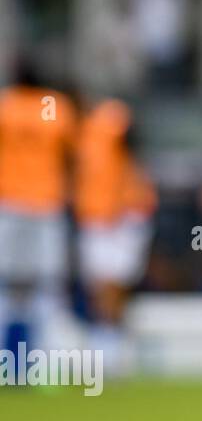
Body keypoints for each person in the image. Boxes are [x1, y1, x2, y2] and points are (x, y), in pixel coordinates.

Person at [74, 94, 157, 375]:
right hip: (96, 214)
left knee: (115, 281)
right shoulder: (79, 135)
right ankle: (106, 344)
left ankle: (112, 345)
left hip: (122, 212)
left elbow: (131, 139)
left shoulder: (107, 118)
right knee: (100, 283)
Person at [0, 57, 77, 355]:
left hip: (10, 203)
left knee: (8, 280)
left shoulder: (6, 104)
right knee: (48, 282)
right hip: (46, 203)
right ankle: (43, 357)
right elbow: (72, 156)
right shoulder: (55, 105)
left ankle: (9, 358)